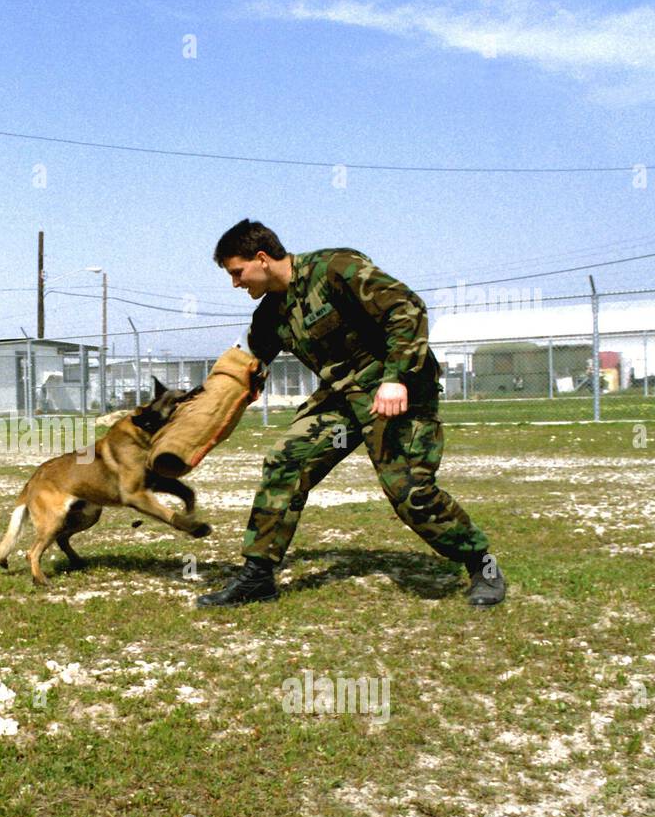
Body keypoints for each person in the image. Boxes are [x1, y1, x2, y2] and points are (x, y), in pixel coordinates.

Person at [197, 219, 505, 609]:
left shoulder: (335, 269)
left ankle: (483, 565)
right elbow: (247, 358)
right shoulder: (271, 312)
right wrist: (205, 405)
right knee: (285, 462)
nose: (236, 284)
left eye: (237, 273)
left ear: (262, 258)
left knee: (411, 493)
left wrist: (396, 378)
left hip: (399, 392)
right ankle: (258, 577)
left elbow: (406, 308)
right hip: (342, 398)